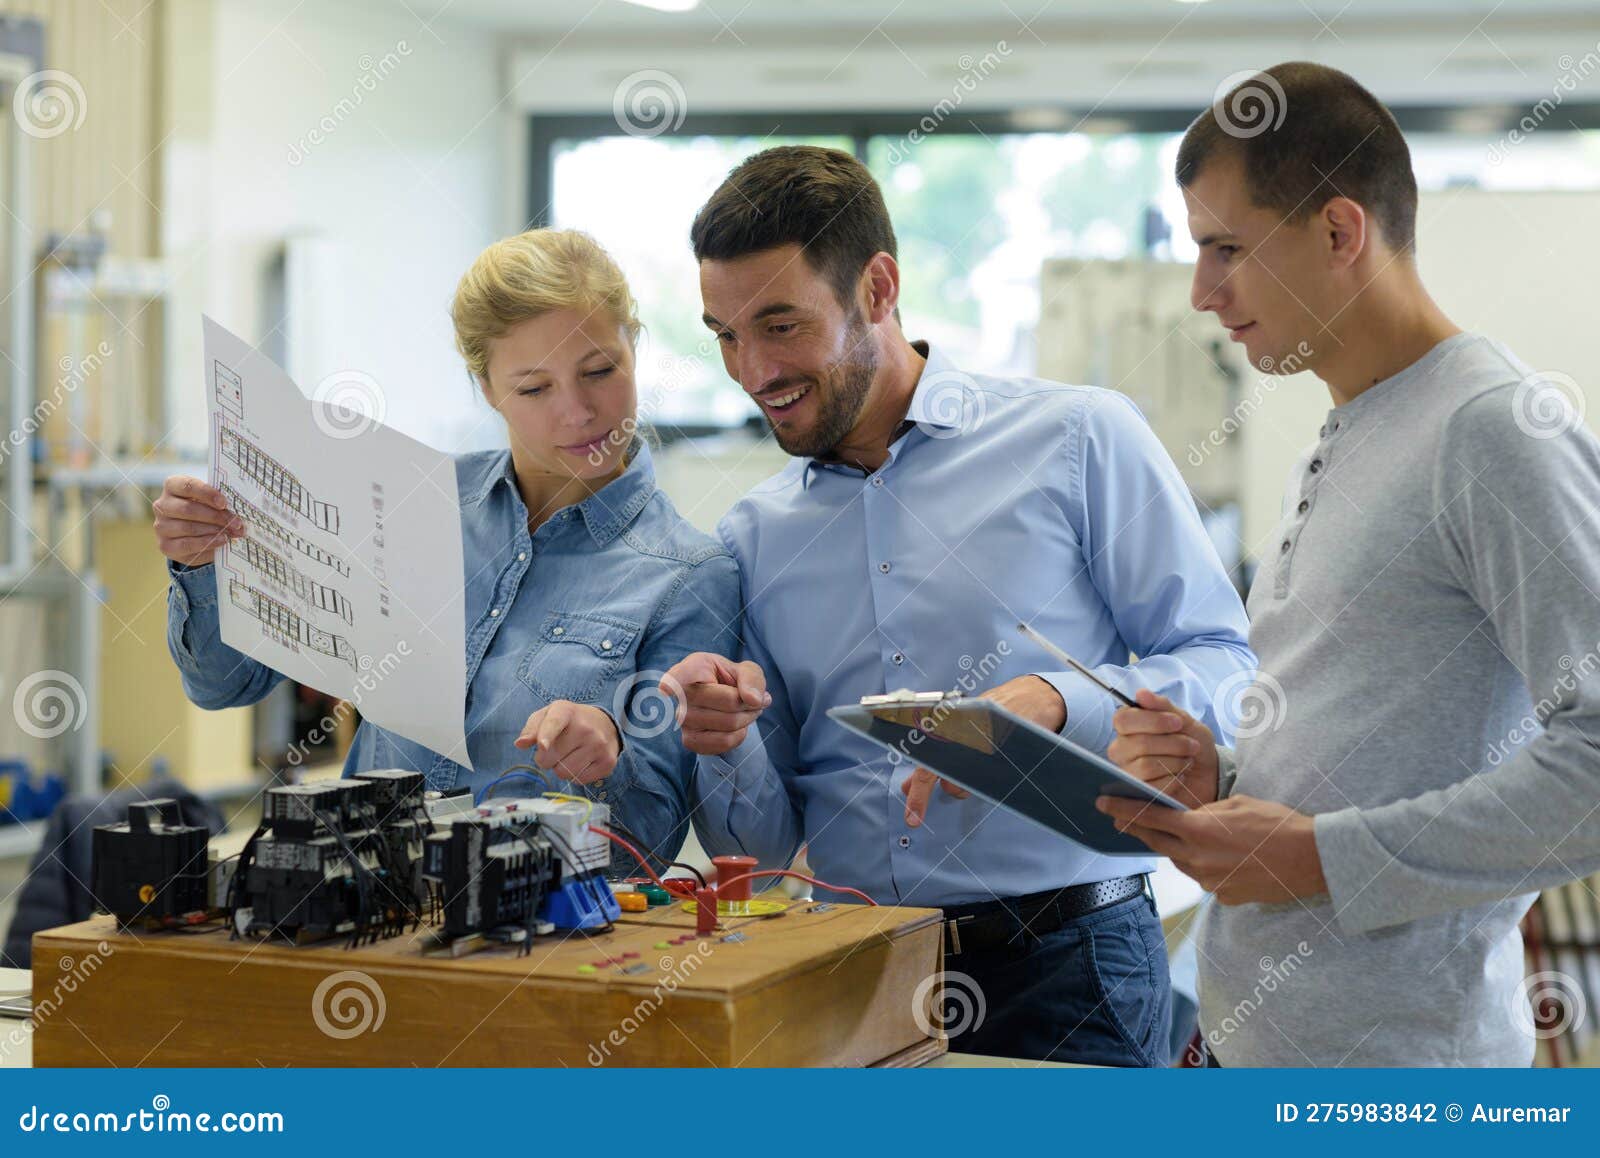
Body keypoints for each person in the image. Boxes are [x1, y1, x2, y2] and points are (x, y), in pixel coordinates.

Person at [663, 145, 1256, 1066]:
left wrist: (1061, 702)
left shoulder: (1078, 437)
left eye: (780, 325)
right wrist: (724, 736)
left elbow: (1226, 665)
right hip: (851, 970)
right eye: (724, 334)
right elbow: (767, 841)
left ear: (877, 288)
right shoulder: (754, 536)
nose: (752, 370)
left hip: (1070, 965)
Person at [1099, 61, 1600, 1066]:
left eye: (1225, 249)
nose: (1200, 293)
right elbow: (1382, 743)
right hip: (1246, 1039)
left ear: (1338, 232)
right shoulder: (1343, 427)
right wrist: (1226, 776)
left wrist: (1316, 859)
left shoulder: (1492, 431)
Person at [156, 228, 738, 867]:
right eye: (534, 388)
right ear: (486, 387)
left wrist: (608, 760)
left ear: (635, 345)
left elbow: (646, 848)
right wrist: (203, 562)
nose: (577, 412)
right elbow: (225, 684)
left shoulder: (692, 576)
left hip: (535, 944)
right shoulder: (405, 502)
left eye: (600, 370)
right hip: (361, 911)